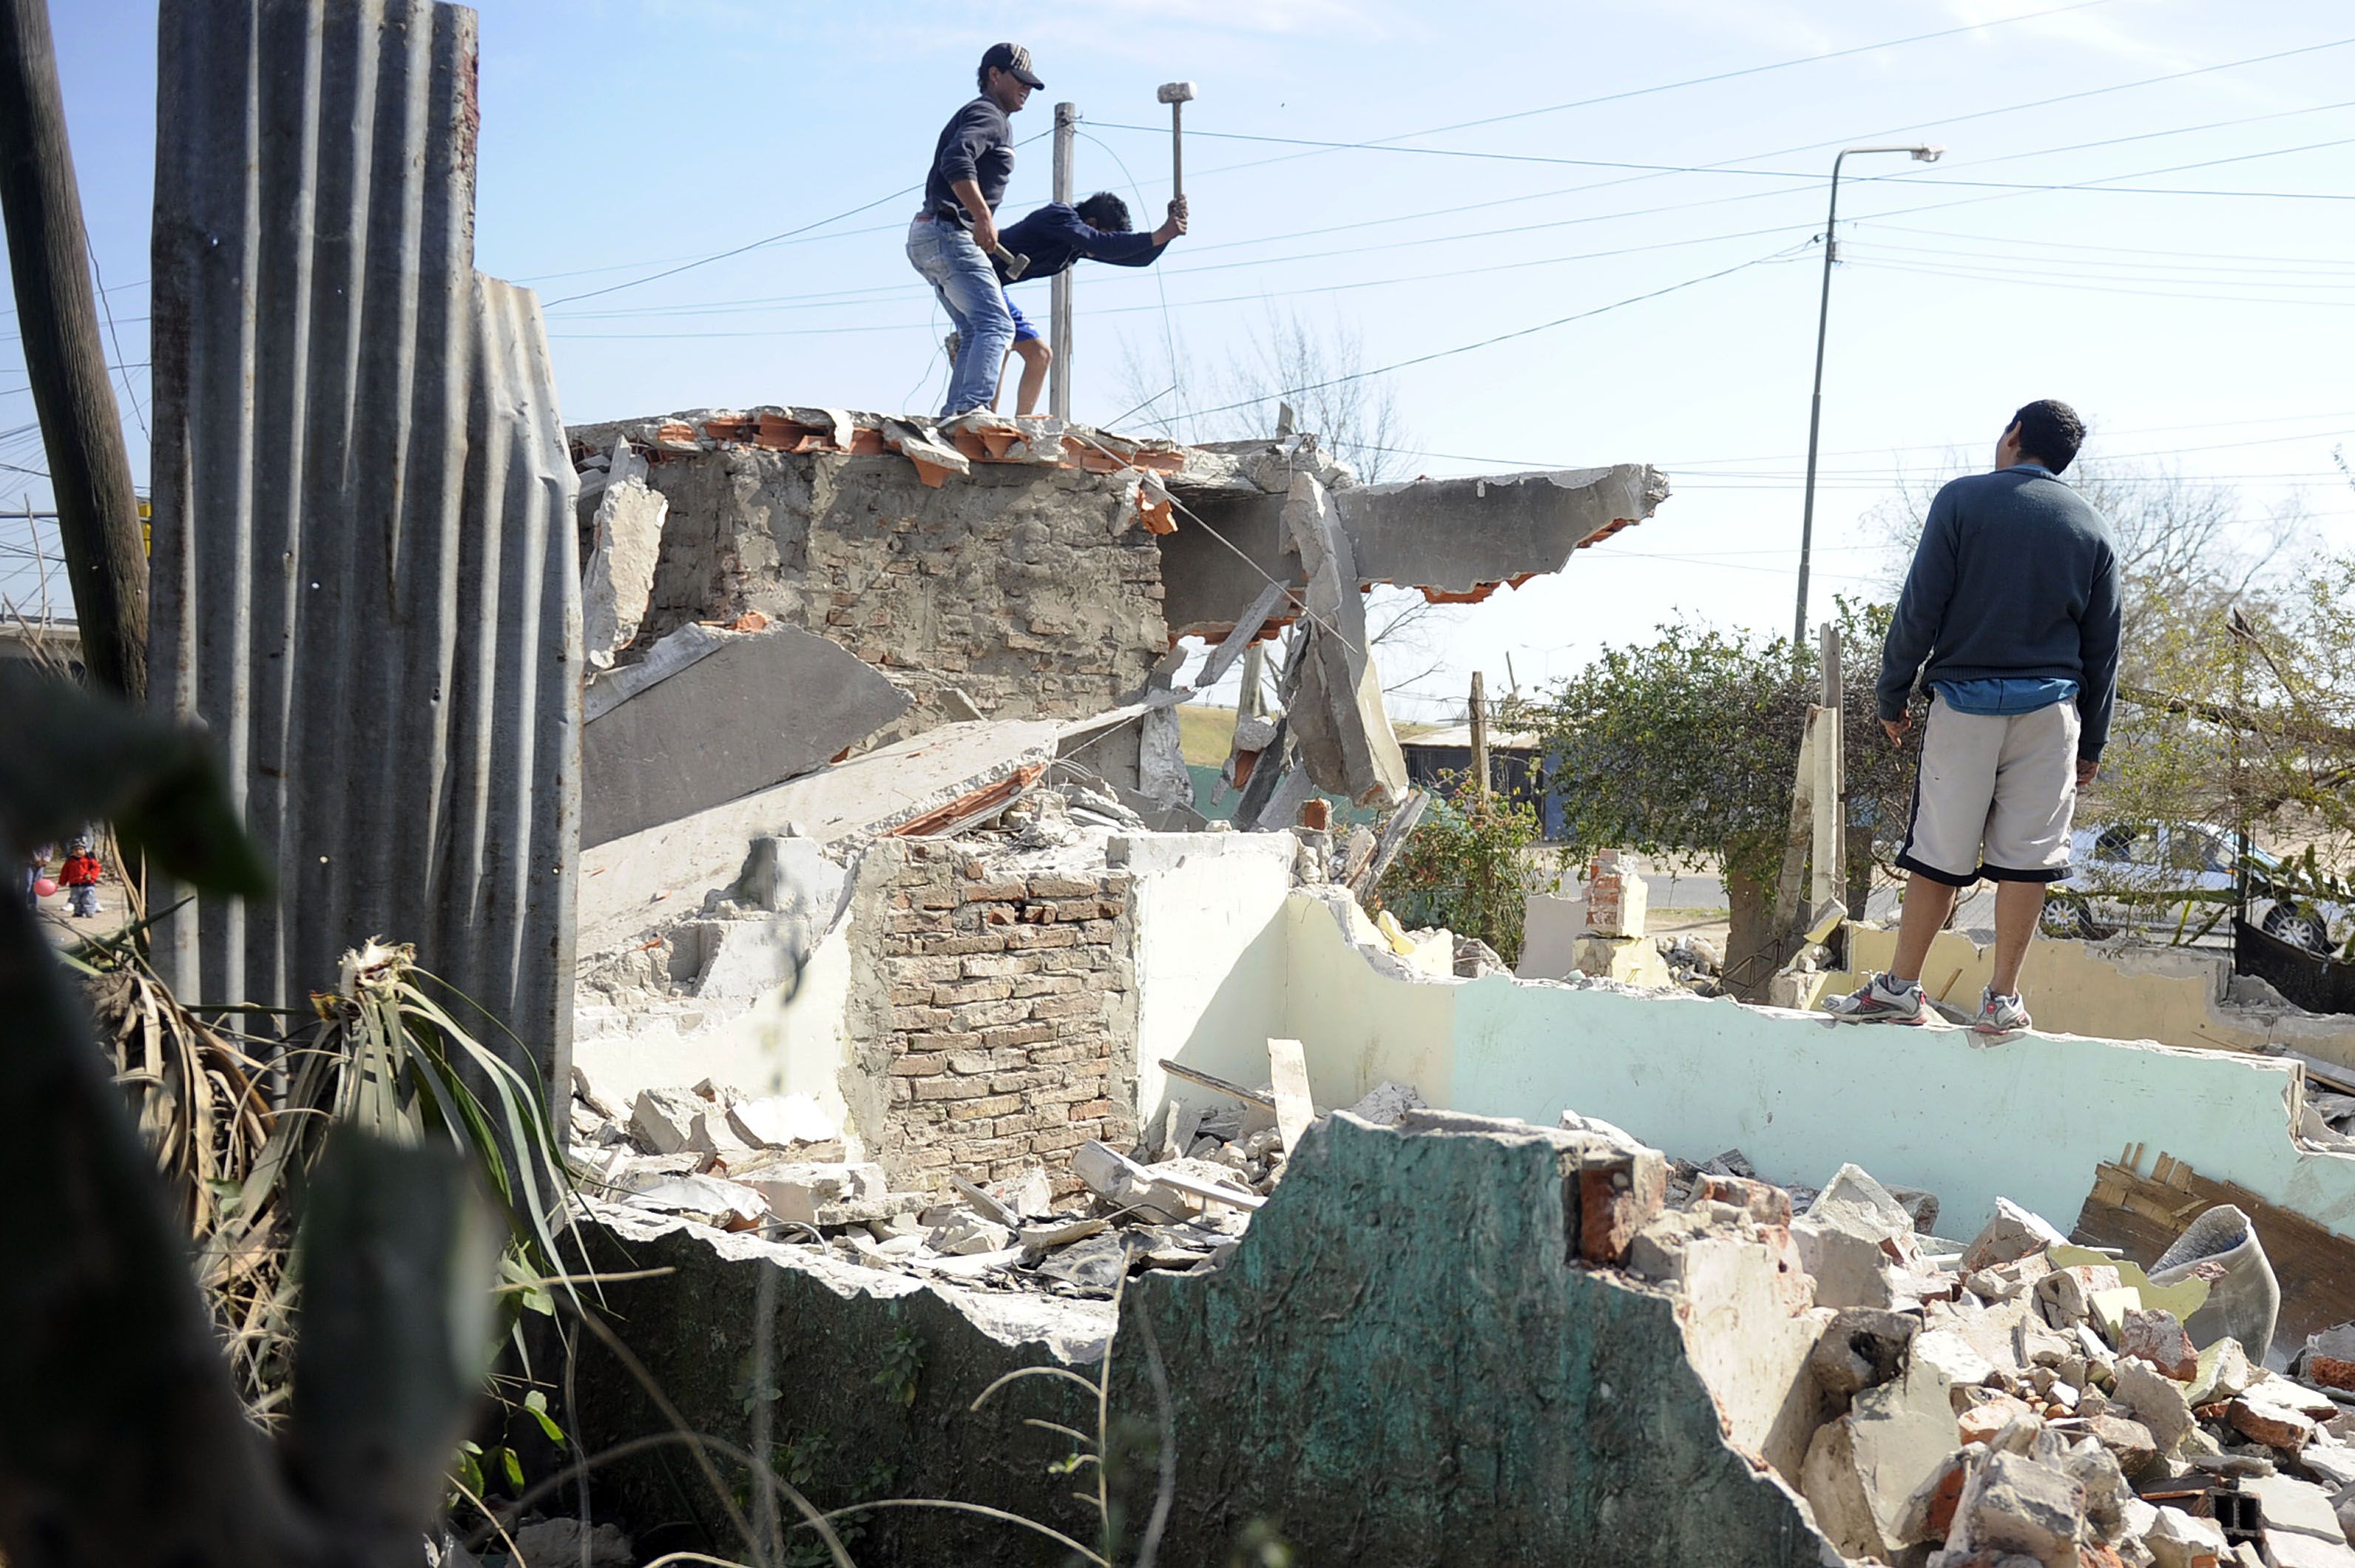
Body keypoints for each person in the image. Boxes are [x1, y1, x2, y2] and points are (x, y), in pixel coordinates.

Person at [1827, 399, 2121, 1034]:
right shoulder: (2093, 525)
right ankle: (2002, 1002)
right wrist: (2092, 741)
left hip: (1963, 707)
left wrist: (1892, 693)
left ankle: (1903, 989)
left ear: (2015, 435)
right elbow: (2104, 648)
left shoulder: (1961, 501)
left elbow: (1920, 607)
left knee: (1937, 853)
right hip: (2051, 714)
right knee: (2030, 859)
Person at [906, 43, 1041, 419]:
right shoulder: (988, 113)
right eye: (1020, 80)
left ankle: (956, 416)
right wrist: (982, 216)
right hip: (948, 232)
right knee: (997, 324)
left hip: (930, 233)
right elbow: (956, 159)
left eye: (1032, 83)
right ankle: (972, 411)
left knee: (975, 328)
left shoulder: (989, 117)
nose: (1027, 89)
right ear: (994, 75)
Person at [987, 192, 1190, 416]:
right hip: (972, 274)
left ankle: (1022, 422)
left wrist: (1169, 233)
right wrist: (1161, 234)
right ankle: (988, 416)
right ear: (1091, 223)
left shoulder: (1075, 244)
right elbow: (1102, 244)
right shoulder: (1058, 217)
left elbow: (1139, 259)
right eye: (1108, 237)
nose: (1106, 247)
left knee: (1040, 355)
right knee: (1000, 337)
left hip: (995, 287)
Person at [61, 835, 103, 919]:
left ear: (85, 850)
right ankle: (78, 912)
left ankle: (89, 912)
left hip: (88, 884)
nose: (78, 851)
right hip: (75, 885)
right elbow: (65, 872)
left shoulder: (89, 860)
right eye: (76, 850)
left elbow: (97, 868)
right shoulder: (70, 861)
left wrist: (90, 875)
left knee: (88, 899)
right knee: (76, 900)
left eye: (81, 849)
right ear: (72, 851)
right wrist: (62, 882)